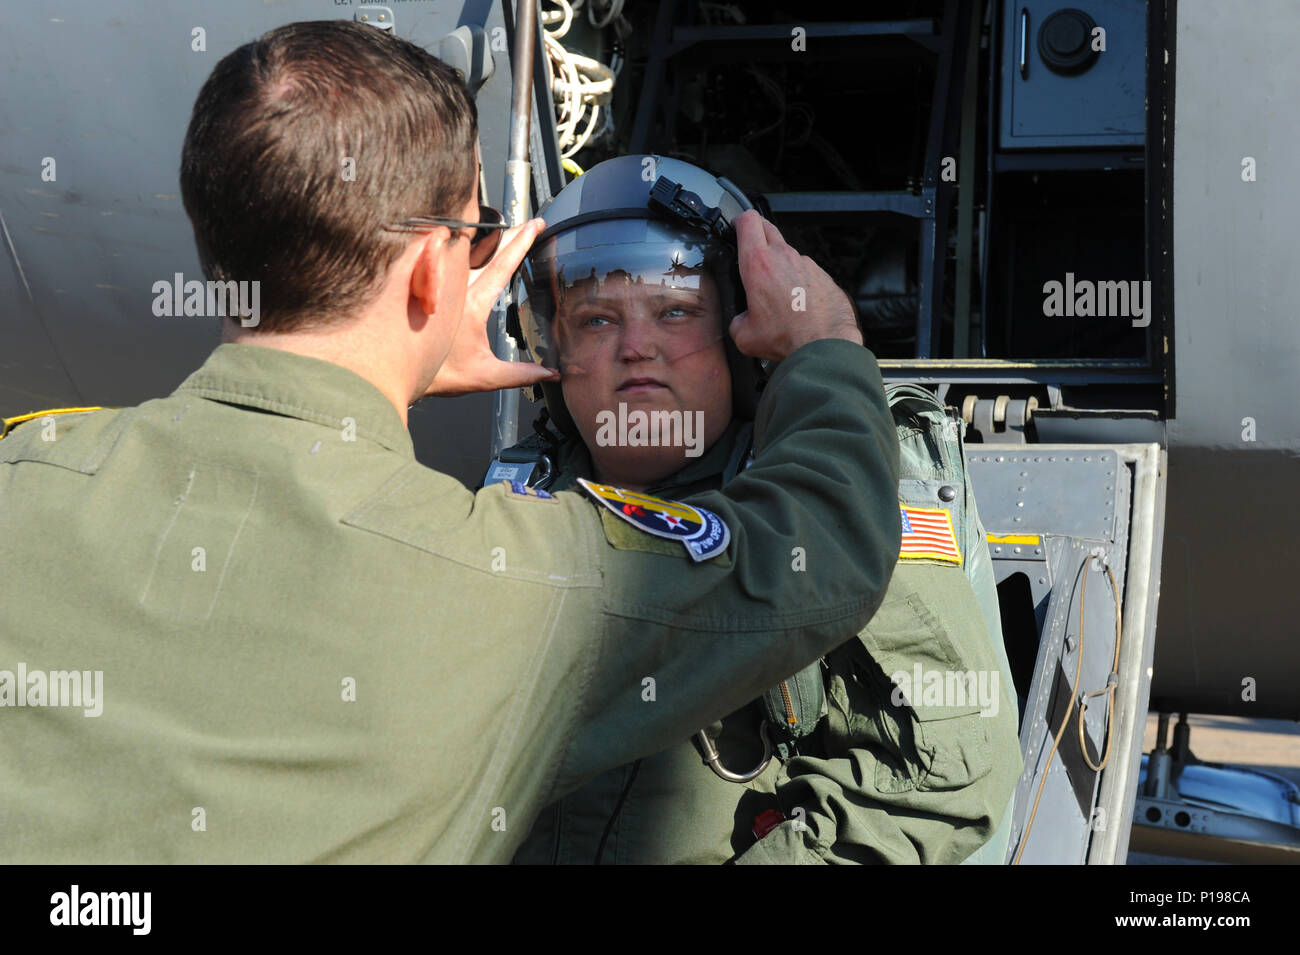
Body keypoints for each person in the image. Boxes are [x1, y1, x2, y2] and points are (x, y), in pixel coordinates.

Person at [0, 22, 903, 863]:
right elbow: (823, 543)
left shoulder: (25, 481)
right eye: (474, 234)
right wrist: (823, 351)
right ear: (436, 272)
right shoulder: (523, 584)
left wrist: (399, 352)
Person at [496, 155, 1022, 864]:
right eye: (595, 318)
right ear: (552, 350)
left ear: (743, 336)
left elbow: (943, 779)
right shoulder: (515, 501)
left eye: (676, 310)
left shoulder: (827, 497)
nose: (636, 346)